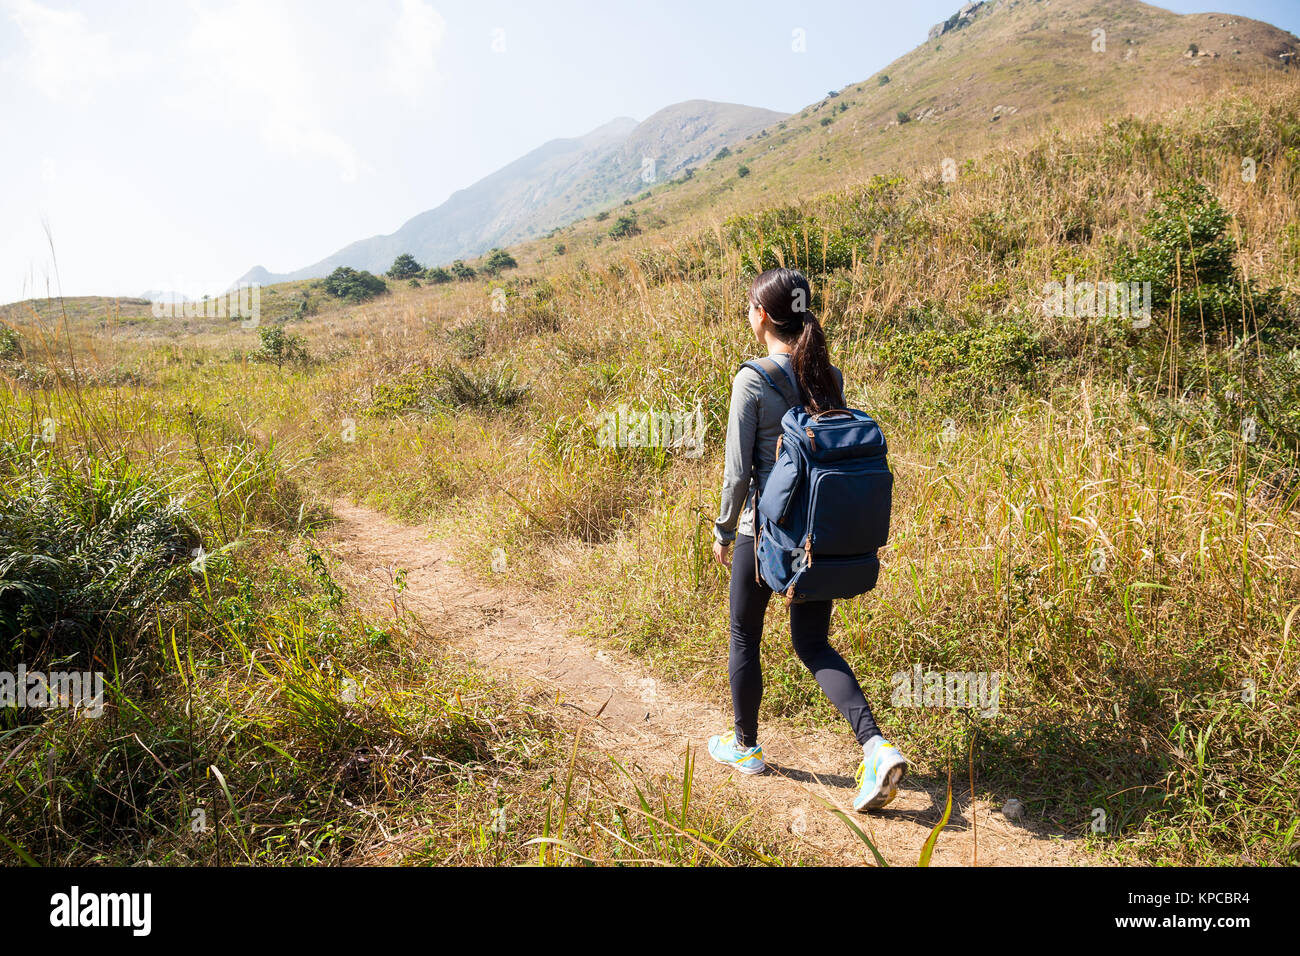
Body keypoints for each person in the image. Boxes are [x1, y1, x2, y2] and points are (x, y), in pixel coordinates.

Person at [708, 267, 907, 812]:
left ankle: (745, 746)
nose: (748, 313)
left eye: (750, 305)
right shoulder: (828, 374)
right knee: (813, 643)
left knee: (745, 636)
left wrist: (724, 530)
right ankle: (875, 746)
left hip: (764, 531)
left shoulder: (752, 379)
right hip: (815, 534)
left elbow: (737, 474)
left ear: (764, 316)